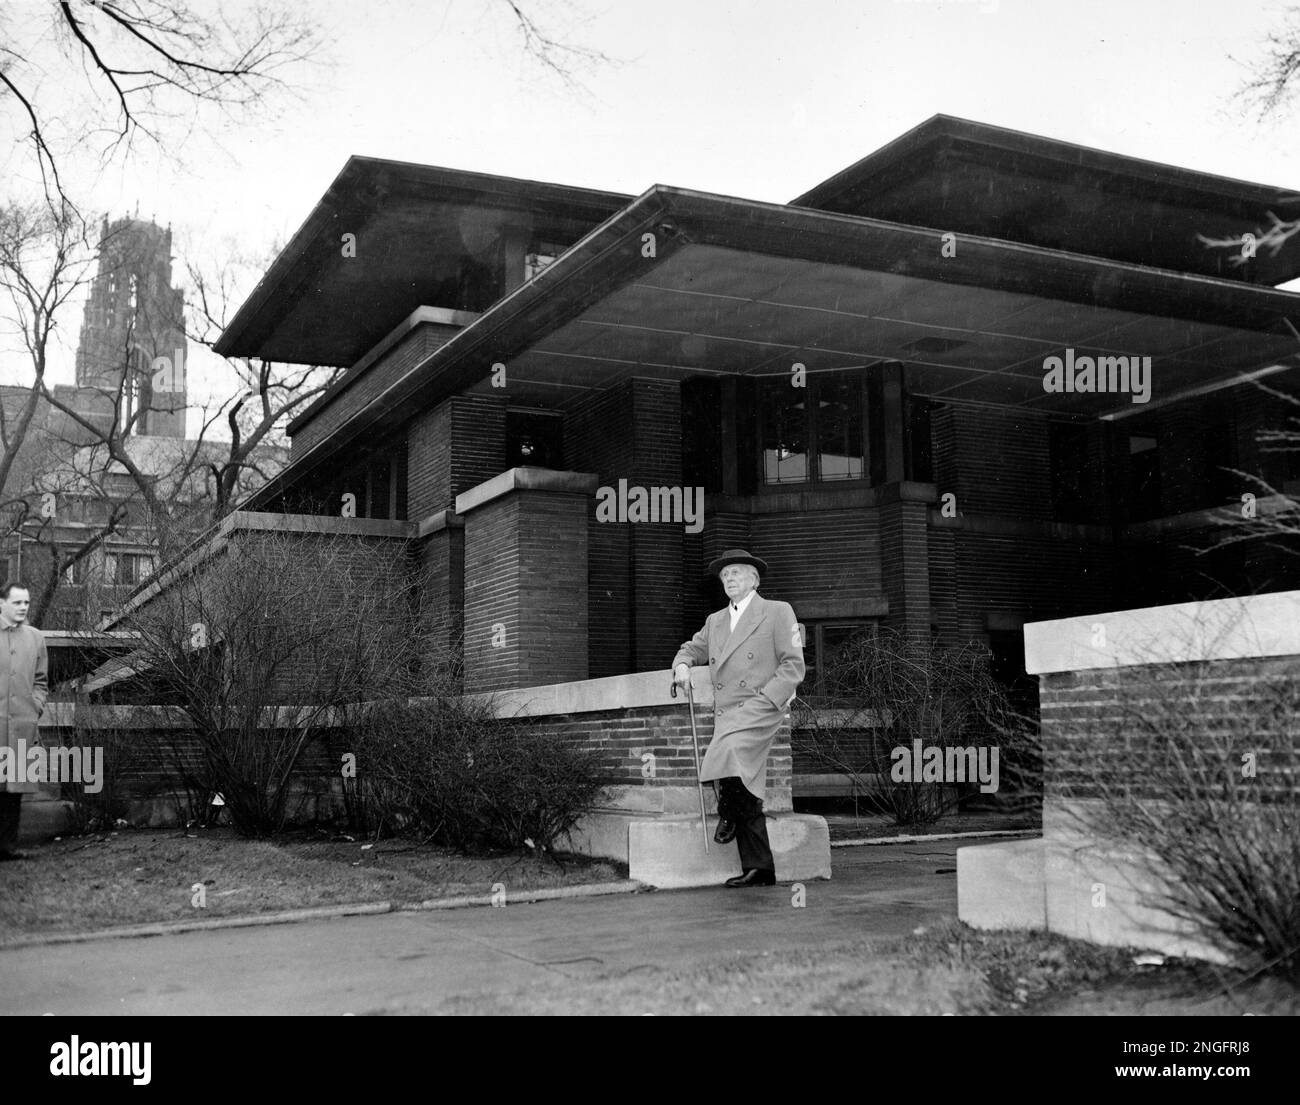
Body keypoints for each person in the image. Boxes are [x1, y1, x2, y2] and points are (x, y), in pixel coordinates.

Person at [672, 549, 803, 887]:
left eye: (737, 573)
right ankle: (760, 868)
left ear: (754, 580)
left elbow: (793, 664)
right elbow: (692, 648)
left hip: (760, 708)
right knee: (744, 782)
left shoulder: (777, 611)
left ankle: (727, 813)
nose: (729, 579)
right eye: (725, 575)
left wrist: (770, 699)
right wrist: (683, 665)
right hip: (727, 712)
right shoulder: (715, 620)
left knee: (727, 756)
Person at [0, 582, 48, 862]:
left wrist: (36, 707)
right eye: (17, 602)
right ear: (2, 603)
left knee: (13, 789)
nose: (23, 608)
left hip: (21, 725)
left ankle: (7, 846)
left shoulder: (35, 638)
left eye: (26, 603)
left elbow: (42, 681)